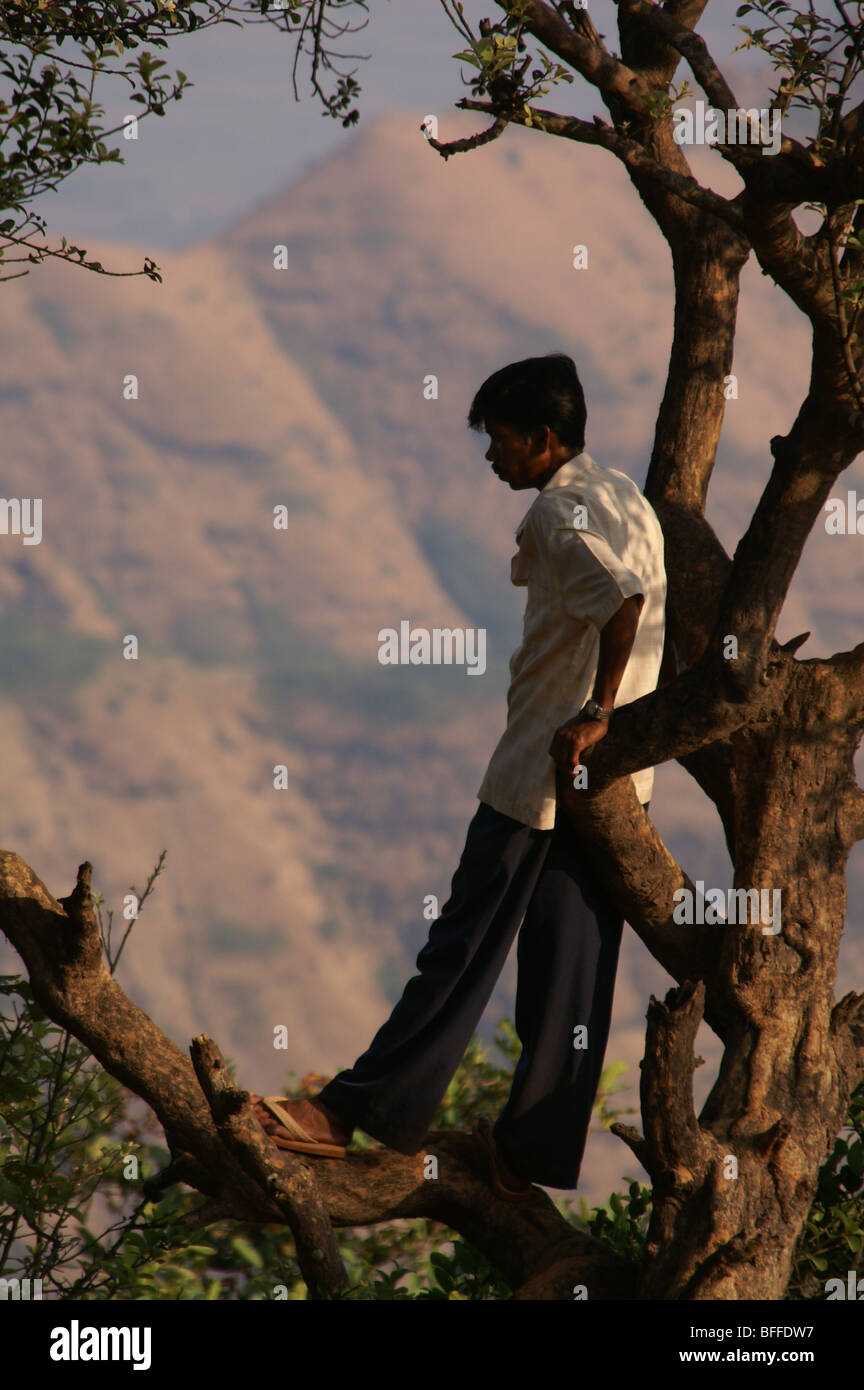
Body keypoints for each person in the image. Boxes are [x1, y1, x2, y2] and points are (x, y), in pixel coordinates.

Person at [252, 353, 667, 1198]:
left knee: (459, 950)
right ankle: (529, 1158)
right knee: (570, 977)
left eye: (501, 440)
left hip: (541, 773)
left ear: (543, 441)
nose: (491, 458)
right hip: (618, 786)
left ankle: (353, 1115)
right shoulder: (627, 496)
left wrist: (595, 708)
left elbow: (620, 601)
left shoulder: (560, 511)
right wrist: (616, 724)